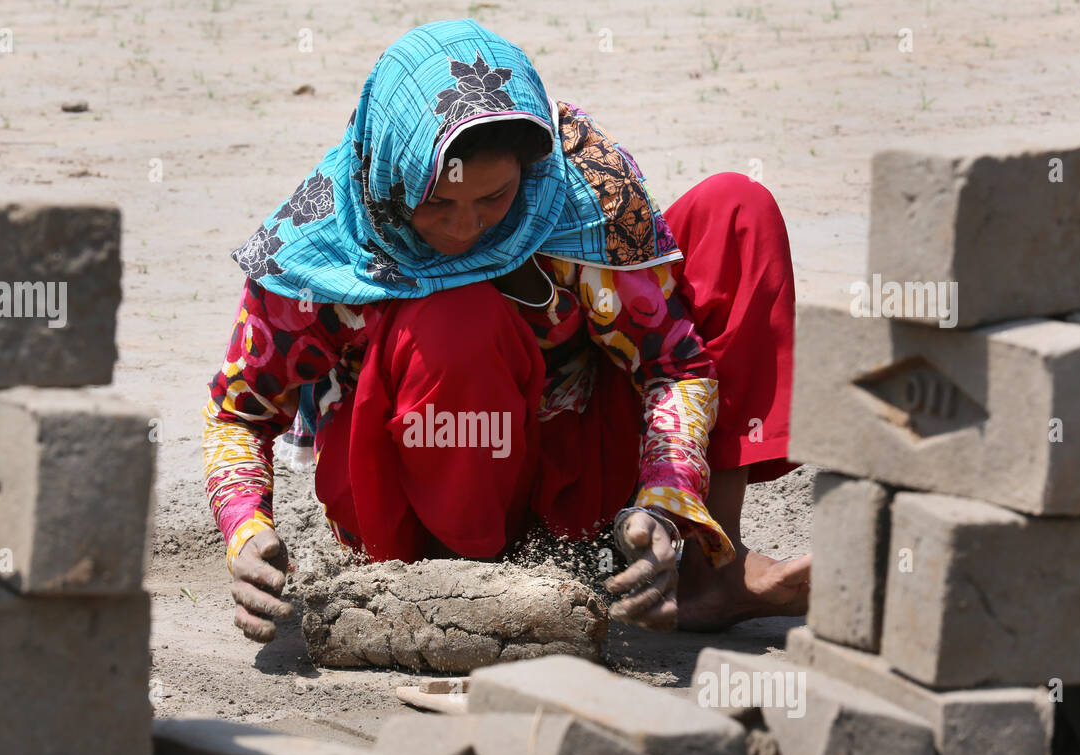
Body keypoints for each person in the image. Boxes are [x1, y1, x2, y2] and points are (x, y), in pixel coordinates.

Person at [203, 19, 810, 643]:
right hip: (406, 489)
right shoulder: (321, 241)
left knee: (734, 210)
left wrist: (664, 500)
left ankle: (713, 568)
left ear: (530, 167)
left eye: (494, 198)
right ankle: (460, 587)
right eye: (437, 204)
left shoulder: (583, 194)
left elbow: (674, 367)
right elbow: (237, 412)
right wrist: (246, 531)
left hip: (577, 465)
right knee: (454, 314)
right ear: (389, 176)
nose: (466, 229)